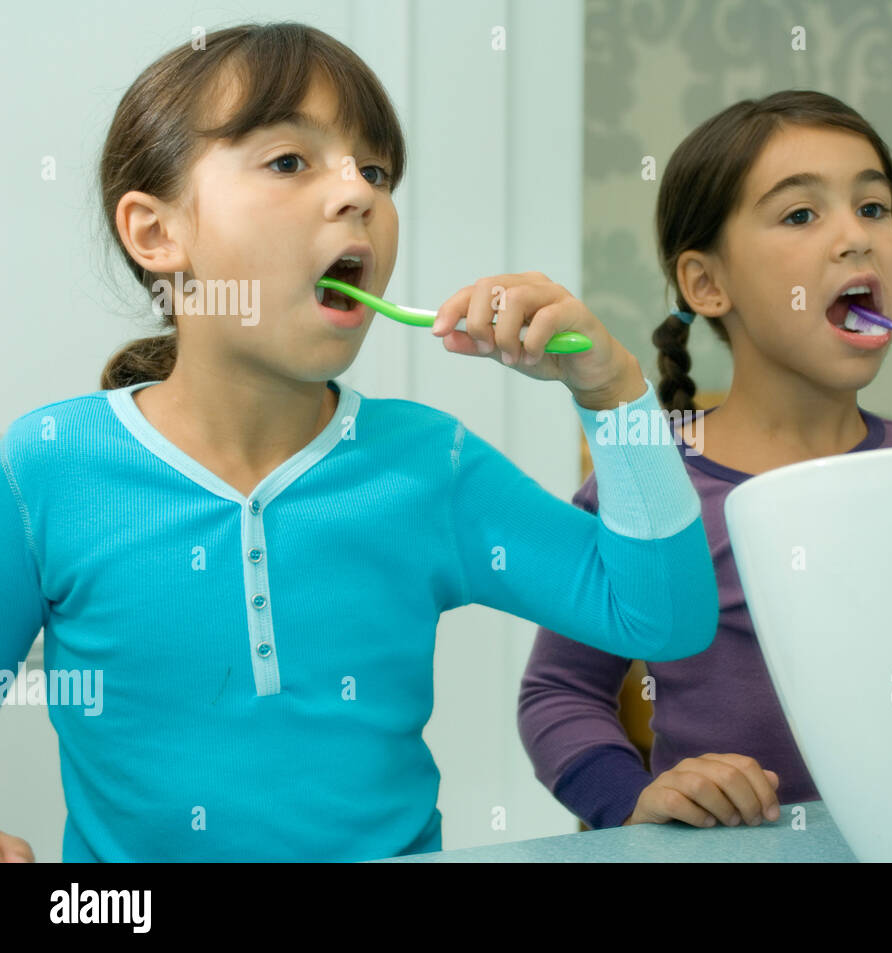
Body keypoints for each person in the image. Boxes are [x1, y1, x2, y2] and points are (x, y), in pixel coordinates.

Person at [0, 22, 717, 862]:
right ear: (158, 234)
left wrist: (612, 391)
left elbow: (662, 618)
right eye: (289, 161)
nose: (359, 195)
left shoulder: (429, 466)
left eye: (375, 170)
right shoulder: (48, 466)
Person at [518, 90, 892, 832]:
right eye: (800, 214)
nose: (856, 238)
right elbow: (558, 691)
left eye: (875, 208)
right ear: (706, 284)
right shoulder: (647, 491)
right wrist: (633, 800)